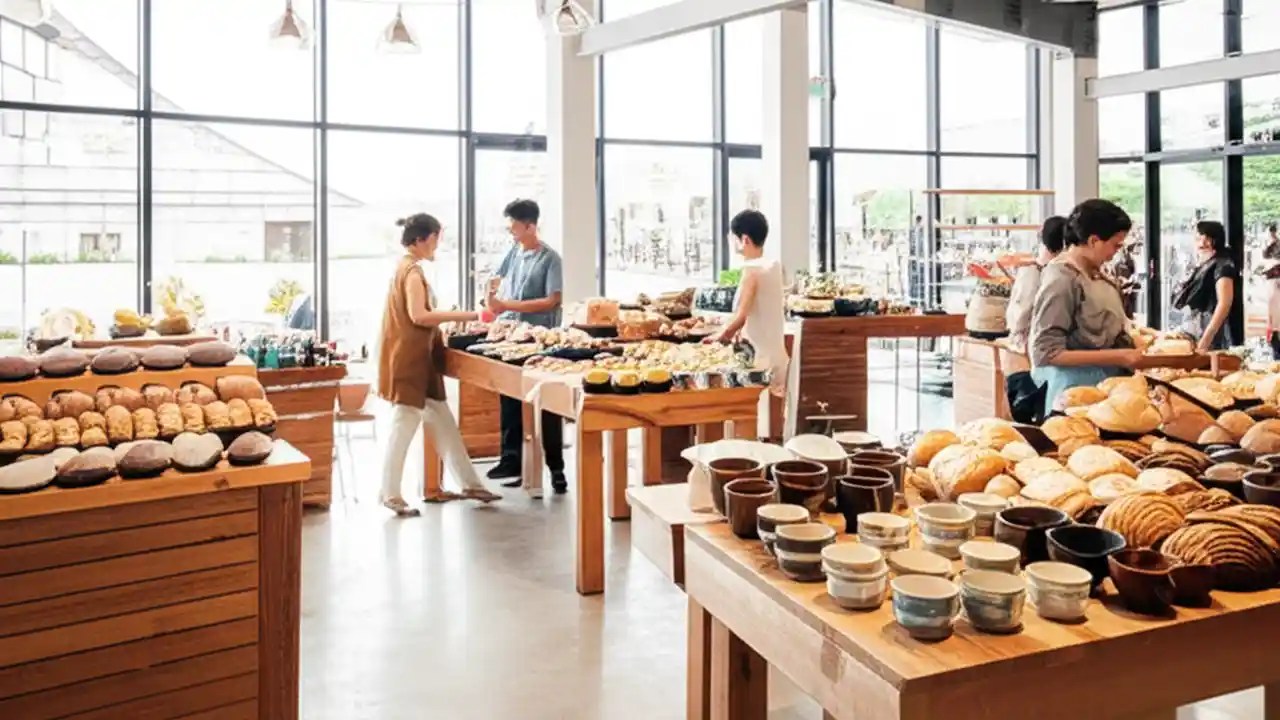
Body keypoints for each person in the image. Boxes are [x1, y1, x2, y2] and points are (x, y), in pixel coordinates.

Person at [377, 213, 500, 516]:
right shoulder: (413, 272)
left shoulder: (404, 267)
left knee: (443, 421)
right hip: (411, 359)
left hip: (419, 357)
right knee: (404, 423)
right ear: (422, 239)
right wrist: (473, 316)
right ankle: (389, 493)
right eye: (435, 239)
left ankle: (471, 483)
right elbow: (419, 315)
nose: (436, 246)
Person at [1029, 199, 1143, 415]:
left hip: (1104, 392)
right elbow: (1045, 352)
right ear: (1093, 241)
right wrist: (1119, 357)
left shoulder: (1095, 273)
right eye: (1115, 246)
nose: (1115, 253)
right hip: (1073, 397)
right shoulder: (1062, 278)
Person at [485, 199, 567, 494]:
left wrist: (506, 303)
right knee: (509, 396)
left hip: (540, 340)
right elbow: (497, 278)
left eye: (515, 228)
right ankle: (512, 461)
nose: (512, 234)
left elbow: (551, 300)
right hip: (511, 335)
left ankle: (556, 469)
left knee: (548, 402)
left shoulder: (551, 259)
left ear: (531, 226)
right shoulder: (513, 252)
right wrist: (490, 293)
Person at [705, 210, 789, 400]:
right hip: (776, 354)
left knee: (758, 419)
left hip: (759, 361)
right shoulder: (774, 266)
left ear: (744, 240)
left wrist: (720, 337)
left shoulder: (751, 271)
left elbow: (741, 317)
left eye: (732, 237)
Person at [1172, 220, 1240, 352]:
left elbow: (1224, 303)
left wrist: (1206, 338)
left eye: (1208, 239)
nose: (1202, 243)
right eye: (1198, 238)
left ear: (1217, 240)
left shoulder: (1223, 265)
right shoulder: (1206, 263)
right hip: (1199, 327)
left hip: (1214, 332)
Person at [1004, 215, 1066, 353]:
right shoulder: (1035, 272)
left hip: (1036, 343)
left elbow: (1019, 312)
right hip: (1032, 345)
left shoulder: (1036, 270)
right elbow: (1022, 314)